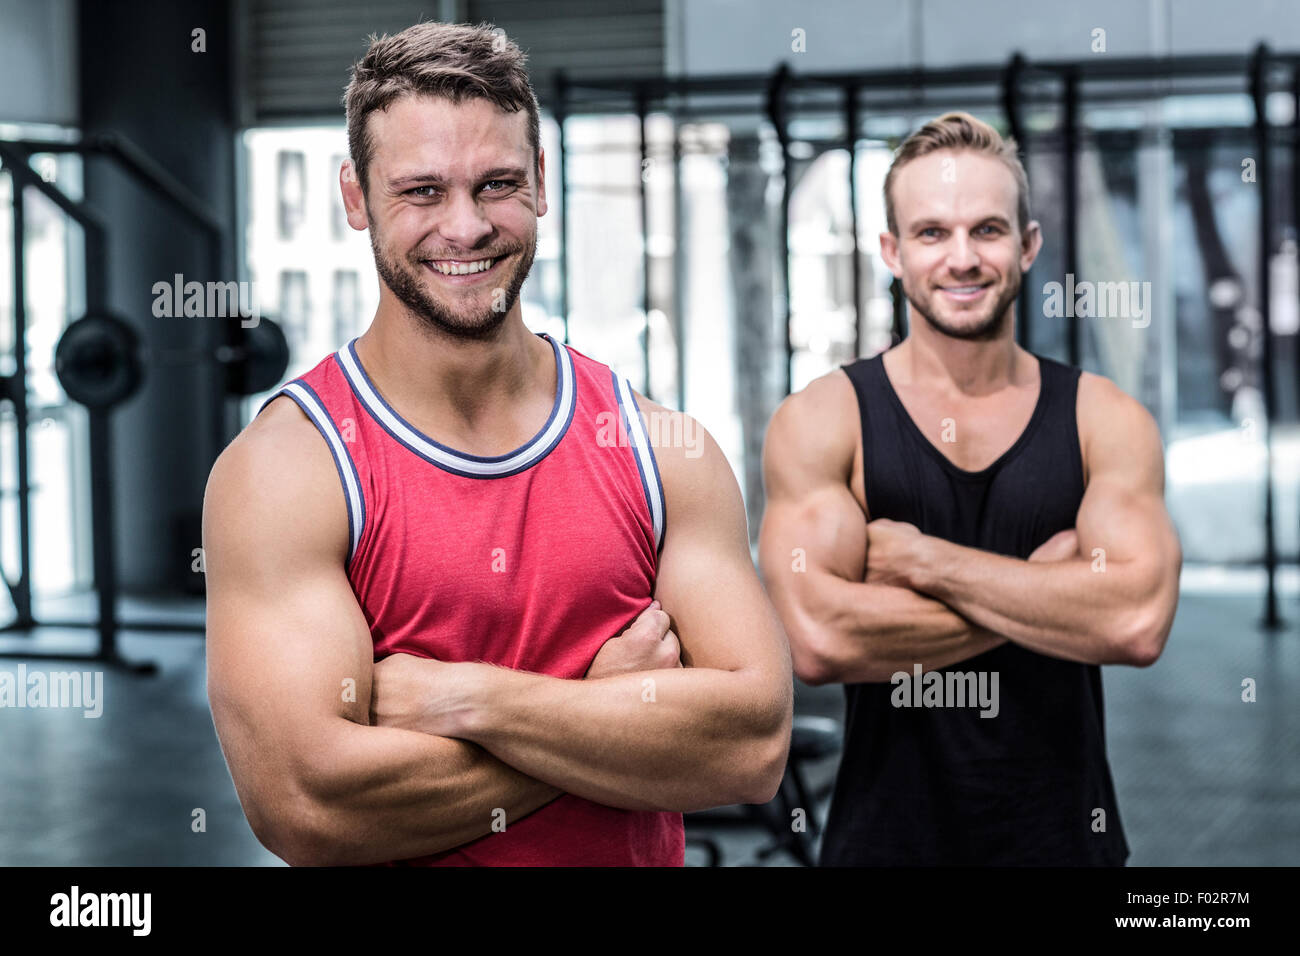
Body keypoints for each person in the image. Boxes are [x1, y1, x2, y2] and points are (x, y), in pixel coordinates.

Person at [203, 21, 791, 867]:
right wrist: (604, 710)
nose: (465, 226)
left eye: (497, 184)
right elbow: (309, 805)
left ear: (542, 183)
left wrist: (470, 700)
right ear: (355, 197)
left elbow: (751, 747)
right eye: (421, 191)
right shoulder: (287, 472)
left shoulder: (662, 449)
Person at [759, 111, 1181, 866]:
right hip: (885, 848)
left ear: (1027, 245)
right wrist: (1051, 590)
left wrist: (926, 565)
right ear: (891, 251)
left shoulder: (1103, 420)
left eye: (987, 230)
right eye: (931, 233)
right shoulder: (824, 420)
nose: (962, 258)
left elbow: (1137, 621)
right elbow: (819, 642)